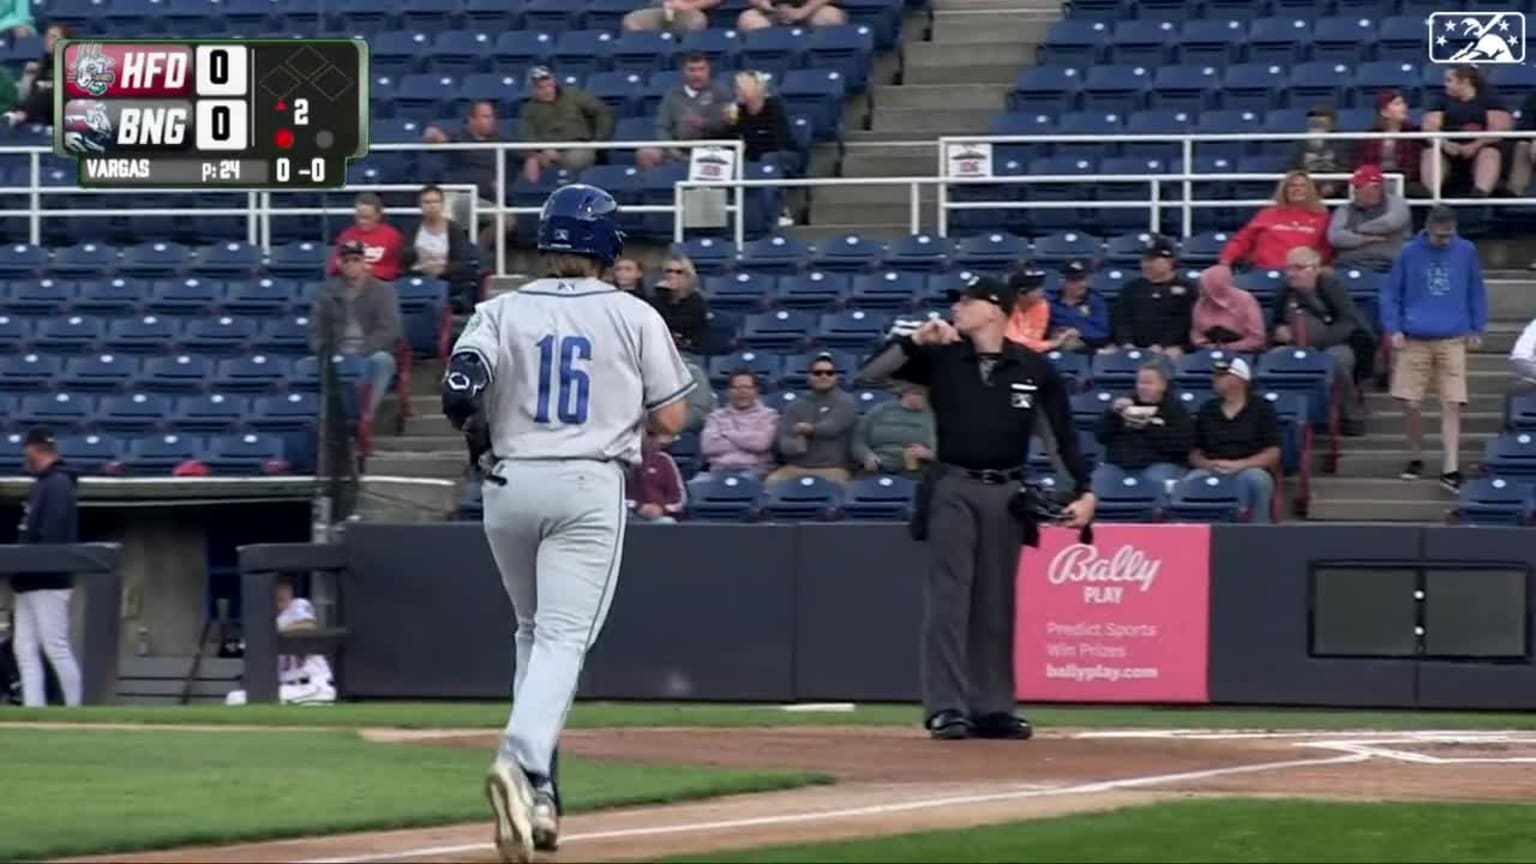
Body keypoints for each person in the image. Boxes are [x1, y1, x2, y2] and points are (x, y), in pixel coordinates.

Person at [442, 183, 694, 862]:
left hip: (507, 486)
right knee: (561, 641)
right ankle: (520, 760)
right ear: (608, 246)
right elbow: (672, 418)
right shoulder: (632, 314)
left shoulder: (501, 309)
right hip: (586, 484)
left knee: (532, 636)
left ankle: (544, 795)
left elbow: (461, 387)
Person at [857, 276, 1095, 742]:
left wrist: (1082, 492)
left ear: (994, 309)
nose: (958, 310)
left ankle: (993, 706)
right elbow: (870, 373)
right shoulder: (942, 358)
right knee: (949, 601)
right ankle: (947, 706)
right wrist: (912, 340)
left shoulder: (1032, 368)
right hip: (954, 483)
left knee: (996, 602)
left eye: (967, 302)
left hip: (1007, 491)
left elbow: (1059, 436)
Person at [1379, 205, 1486, 493]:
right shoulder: (1408, 252)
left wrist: (1477, 326)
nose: (1446, 241)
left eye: (1450, 235)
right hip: (1414, 337)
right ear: (1429, 229)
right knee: (1411, 402)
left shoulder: (1466, 251)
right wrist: (1394, 328)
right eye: (1441, 236)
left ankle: (1450, 467)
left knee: (1452, 402)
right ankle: (1415, 455)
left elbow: (1475, 288)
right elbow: (1391, 293)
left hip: (1453, 337)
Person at [12, 427, 83, 708]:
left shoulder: (58, 483)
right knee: (24, 649)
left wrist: (34, 564)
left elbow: (51, 534)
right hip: (29, 580)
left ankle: (74, 709)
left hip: (49, 579)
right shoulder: (43, 483)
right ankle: (34, 709)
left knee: (55, 646)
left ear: (36, 449)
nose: (24, 455)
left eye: (27, 449)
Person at [1273, 246, 1373, 435]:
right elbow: (1274, 322)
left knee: (1335, 361)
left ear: (1316, 268)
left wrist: (1318, 345)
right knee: (1272, 360)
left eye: (1298, 268)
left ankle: (1352, 416)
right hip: (1293, 347)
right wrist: (1278, 331)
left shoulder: (1330, 286)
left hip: (1336, 343)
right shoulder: (1285, 290)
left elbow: (1348, 321)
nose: (1292, 274)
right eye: (1289, 268)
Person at [311, 241, 404, 422]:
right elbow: (316, 328)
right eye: (347, 260)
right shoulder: (327, 292)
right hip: (337, 351)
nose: (351, 264)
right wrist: (325, 350)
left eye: (356, 259)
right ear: (340, 264)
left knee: (383, 362)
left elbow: (390, 330)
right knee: (306, 366)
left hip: (370, 351)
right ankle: (325, 420)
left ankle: (363, 418)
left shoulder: (383, 290)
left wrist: (361, 351)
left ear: (364, 262)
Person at [1188, 358, 1282, 523]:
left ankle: (1259, 534)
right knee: (1192, 481)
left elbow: (1273, 452)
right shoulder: (1207, 409)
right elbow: (1194, 451)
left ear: (1239, 379)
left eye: (1221, 376)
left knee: (1257, 480)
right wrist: (1208, 464)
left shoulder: (1262, 408)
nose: (1214, 379)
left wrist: (1240, 465)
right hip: (1212, 466)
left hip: (1249, 467)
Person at [224, 576, 337, 706]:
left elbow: (308, 625)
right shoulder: (263, 619)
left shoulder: (298, 605)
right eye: (278, 588)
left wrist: (274, 634)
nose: (282, 592)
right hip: (285, 688)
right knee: (234, 698)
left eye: (286, 588)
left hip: (312, 685)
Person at [1093, 362, 1193, 490]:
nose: (1143, 387)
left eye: (1149, 383)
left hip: (1160, 464)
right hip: (1118, 465)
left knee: (1155, 482)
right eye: (1140, 383)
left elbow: (1183, 444)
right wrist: (1112, 414)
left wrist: (1149, 427)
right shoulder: (1125, 404)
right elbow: (1100, 435)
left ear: (1163, 385)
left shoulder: (1174, 408)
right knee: (1099, 481)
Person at [1421, 65, 1511, 199]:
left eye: (1449, 80)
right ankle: (1433, 197)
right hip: (1448, 149)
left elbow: (1499, 128)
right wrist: (1445, 144)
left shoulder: (1490, 98)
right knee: (1430, 153)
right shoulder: (1440, 100)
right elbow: (1429, 127)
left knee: (1490, 153)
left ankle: (1479, 196)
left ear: (1465, 81)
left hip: (1480, 147)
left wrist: (1475, 145)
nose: (1445, 85)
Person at [768, 352, 858, 484]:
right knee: (771, 482)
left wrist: (809, 429)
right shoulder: (796, 405)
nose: (823, 376)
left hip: (833, 468)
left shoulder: (846, 401)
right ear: (809, 377)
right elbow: (784, 439)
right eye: (818, 373)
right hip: (796, 467)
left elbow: (832, 427)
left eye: (829, 373)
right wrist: (795, 446)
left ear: (836, 377)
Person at [636, 53, 734, 170]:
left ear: (708, 71)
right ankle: (658, 186)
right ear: (684, 72)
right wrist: (673, 151)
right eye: (692, 70)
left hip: (713, 149)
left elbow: (728, 125)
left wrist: (703, 123)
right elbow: (661, 127)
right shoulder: (672, 96)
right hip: (678, 149)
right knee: (646, 154)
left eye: (701, 69)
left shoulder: (721, 93)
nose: (697, 75)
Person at [1218, 170, 1332, 270]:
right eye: (1292, 185)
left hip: (1303, 276)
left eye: (1303, 186)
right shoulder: (1267, 214)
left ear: (1310, 191)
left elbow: (1325, 250)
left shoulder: (1322, 218)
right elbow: (1242, 240)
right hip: (1264, 271)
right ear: (1284, 190)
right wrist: (1226, 260)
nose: (1298, 189)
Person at [517, 66, 613, 184]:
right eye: (541, 88)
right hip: (547, 150)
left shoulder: (574, 96)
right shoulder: (529, 110)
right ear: (532, 90)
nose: (547, 91)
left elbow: (601, 111)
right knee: (532, 163)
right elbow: (529, 136)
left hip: (578, 146)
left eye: (549, 86)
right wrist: (542, 150)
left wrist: (598, 140)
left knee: (576, 159)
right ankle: (532, 197)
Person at [1108, 237, 1196, 358]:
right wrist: (1126, 343)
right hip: (1132, 348)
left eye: (1152, 260)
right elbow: (1121, 319)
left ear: (1169, 260)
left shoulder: (1186, 289)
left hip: (1170, 349)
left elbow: (1183, 323)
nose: (1146, 264)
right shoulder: (1132, 288)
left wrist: (1163, 344)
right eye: (1145, 260)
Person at [399, 184, 480, 313]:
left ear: (442, 204)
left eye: (436, 202)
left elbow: (462, 260)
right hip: (418, 276)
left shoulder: (454, 229)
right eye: (427, 202)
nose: (432, 206)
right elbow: (403, 257)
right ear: (420, 205)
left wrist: (442, 269)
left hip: (447, 278)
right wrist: (417, 254)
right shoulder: (412, 228)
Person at [1327, 164, 1412, 271]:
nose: (1355, 191)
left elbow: (1391, 223)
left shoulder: (1396, 203)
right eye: (1355, 187)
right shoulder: (1345, 209)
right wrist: (1364, 239)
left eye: (1358, 187)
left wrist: (1356, 230)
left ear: (1376, 187)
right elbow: (1335, 237)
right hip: (1348, 264)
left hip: (1388, 265)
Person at [700, 369, 779, 475]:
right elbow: (709, 447)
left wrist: (727, 433)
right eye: (736, 388)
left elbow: (760, 444)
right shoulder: (715, 417)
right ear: (728, 391)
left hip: (756, 471)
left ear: (756, 390)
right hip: (719, 471)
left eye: (747, 387)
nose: (742, 392)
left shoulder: (769, 415)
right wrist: (747, 442)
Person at [852, 382, 936, 478]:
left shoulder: (932, 417)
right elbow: (858, 439)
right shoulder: (881, 410)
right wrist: (866, 456)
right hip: (878, 465)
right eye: (920, 395)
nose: (925, 399)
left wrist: (928, 454)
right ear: (906, 393)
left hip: (914, 470)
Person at [1354, 90, 1423, 196]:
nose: (1404, 107)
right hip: (1376, 181)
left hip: (1405, 181)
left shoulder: (1415, 133)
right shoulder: (1370, 136)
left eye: (1403, 103)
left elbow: (1414, 167)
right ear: (1384, 112)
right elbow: (1363, 164)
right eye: (1397, 104)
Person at [325, 192, 404, 283]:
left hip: (380, 284)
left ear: (378, 216)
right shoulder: (347, 235)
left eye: (367, 218)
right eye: (359, 217)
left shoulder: (392, 236)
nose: (362, 221)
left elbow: (396, 270)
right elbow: (332, 268)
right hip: (349, 285)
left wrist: (371, 269)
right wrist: (346, 266)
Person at [1189, 265, 1266, 353]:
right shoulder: (1201, 302)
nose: (1201, 289)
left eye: (1204, 285)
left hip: (1242, 352)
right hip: (1208, 351)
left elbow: (1257, 339)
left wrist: (1228, 347)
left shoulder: (1246, 300)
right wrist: (1206, 345)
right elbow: (1196, 334)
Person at [1286, 106, 1354, 199]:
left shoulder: (1342, 142)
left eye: (1321, 117)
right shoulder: (1299, 143)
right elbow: (1292, 167)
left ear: (1332, 122)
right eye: (1313, 117)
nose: (1316, 120)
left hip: (1335, 191)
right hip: (1306, 188)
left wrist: (1333, 186)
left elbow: (1346, 167)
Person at [725, 71, 792, 163]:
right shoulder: (738, 110)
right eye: (736, 88)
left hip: (776, 157)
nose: (736, 92)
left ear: (755, 88)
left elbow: (780, 142)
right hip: (750, 159)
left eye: (739, 88)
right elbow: (731, 142)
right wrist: (729, 122)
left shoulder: (774, 107)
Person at [649, 255, 711, 354]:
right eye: (669, 271)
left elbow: (676, 323)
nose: (672, 275)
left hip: (690, 352)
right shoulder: (658, 298)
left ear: (688, 276)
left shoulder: (695, 300)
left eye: (679, 272)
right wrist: (661, 295)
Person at [1047, 260, 1110, 353]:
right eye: (1075, 281)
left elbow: (1102, 332)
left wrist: (1078, 332)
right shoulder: (1049, 301)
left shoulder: (1095, 301)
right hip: (1052, 345)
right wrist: (1056, 332)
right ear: (1063, 281)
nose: (1082, 284)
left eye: (1084, 279)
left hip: (1088, 346)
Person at [738, 0, 847, 30]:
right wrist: (766, 6)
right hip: (773, 11)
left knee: (830, 17)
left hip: (811, 9)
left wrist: (803, 11)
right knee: (748, 20)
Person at [622, 0, 719, 33]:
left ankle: (684, 53)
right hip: (660, 9)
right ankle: (647, 49)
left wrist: (688, 6)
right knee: (630, 21)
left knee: (698, 22)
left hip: (689, 11)